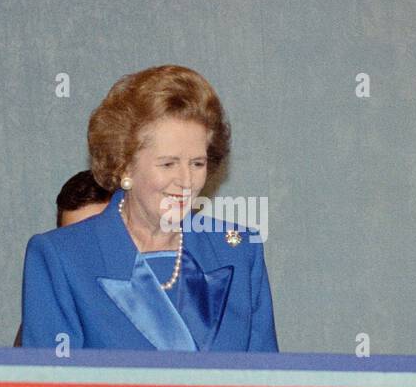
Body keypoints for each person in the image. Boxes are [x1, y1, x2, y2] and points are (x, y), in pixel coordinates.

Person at [21, 65, 277, 352]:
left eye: (197, 163)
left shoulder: (240, 251)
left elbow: (266, 386)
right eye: (168, 164)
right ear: (124, 164)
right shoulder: (63, 258)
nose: (186, 181)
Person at [13, 170, 112, 346]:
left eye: (95, 239)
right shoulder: (48, 322)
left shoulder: (158, 298)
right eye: (71, 242)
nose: (84, 255)